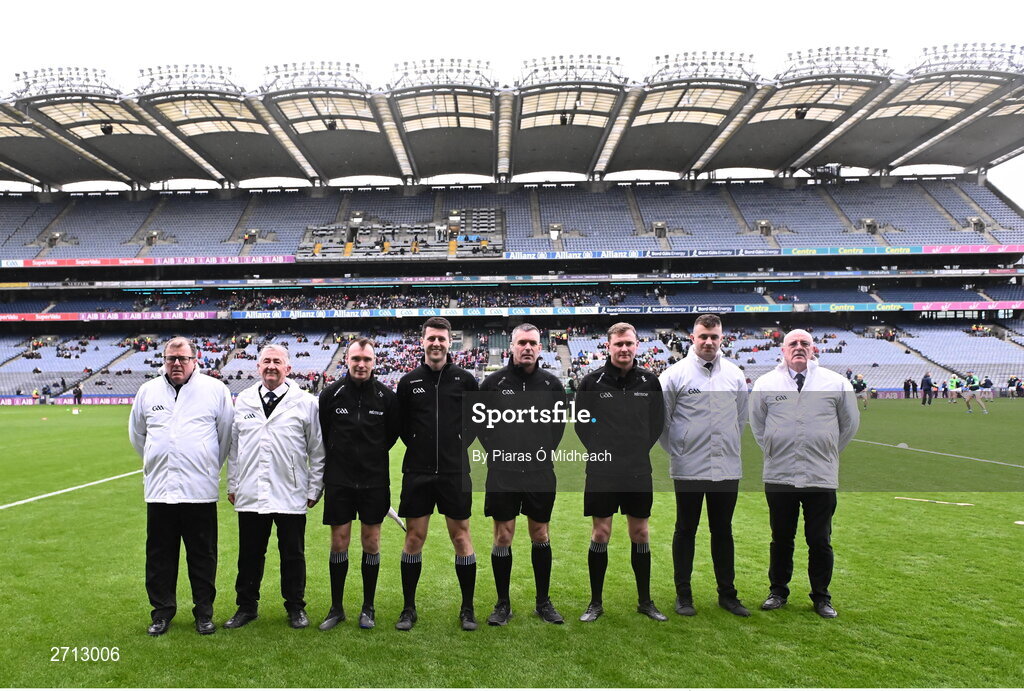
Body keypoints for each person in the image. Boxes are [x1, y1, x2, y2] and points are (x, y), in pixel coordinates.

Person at [749, 329, 860, 619]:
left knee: (819, 539)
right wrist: (777, 448)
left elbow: (849, 425)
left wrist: (825, 449)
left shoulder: (835, 382)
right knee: (781, 538)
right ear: (783, 350)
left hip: (820, 474)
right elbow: (758, 426)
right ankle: (778, 591)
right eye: (793, 344)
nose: (799, 347)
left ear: (814, 350)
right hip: (779, 473)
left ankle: (821, 597)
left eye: (804, 343)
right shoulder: (766, 383)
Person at [128, 336, 234, 636]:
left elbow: (225, 437)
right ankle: (161, 613)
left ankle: (204, 613)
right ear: (164, 359)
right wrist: (157, 459)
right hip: (160, 489)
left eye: (182, 359)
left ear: (194, 359)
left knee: (202, 556)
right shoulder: (148, 391)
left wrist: (206, 463)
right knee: (160, 556)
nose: (176, 364)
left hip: (199, 490)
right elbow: (138, 435)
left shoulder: (215, 390)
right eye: (171, 358)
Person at [224, 344, 325, 631]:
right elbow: (234, 448)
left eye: (277, 362)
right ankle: (246, 607)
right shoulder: (243, 400)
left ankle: (295, 607)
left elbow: (317, 449)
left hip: (291, 490)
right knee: (250, 554)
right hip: (251, 490)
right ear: (258, 367)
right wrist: (233, 483)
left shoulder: (305, 402)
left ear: (288, 368)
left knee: (292, 554)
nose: (271, 366)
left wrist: (314, 488)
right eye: (266, 361)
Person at [658, 314, 750, 618]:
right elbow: (662, 423)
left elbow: (741, 418)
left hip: (726, 467)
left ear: (721, 339)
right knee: (685, 529)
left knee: (723, 531)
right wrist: (681, 451)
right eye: (703, 337)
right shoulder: (674, 375)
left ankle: (728, 595)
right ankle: (683, 596)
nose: (709, 342)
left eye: (714, 337)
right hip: (688, 467)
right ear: (692, 339)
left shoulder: (735, 375)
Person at [575, 322, 667, 623]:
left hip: (638, 470)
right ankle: (595, 602)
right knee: (601, 533)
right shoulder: (591, 382)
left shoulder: (650, 382)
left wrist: (636, 449)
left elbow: (657, 424)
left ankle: (645, 601)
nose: (624, 349)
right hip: (602, 470)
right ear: (609, 346)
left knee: (640, 533)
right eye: (619, 344)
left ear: (637, 345)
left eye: (629, 343)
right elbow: (581, 425)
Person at [395, 317, 480, 631]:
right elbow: (401, 427)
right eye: (431, 338)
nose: (436, 344)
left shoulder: (466, 380)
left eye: (442, 339)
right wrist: (419, 446)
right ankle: (408, 609)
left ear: (450, 342)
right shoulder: (408, 382)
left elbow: (477, 422)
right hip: (417, 471)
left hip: (454, 471)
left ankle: (467, 608)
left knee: (461, 537)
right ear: (423, 342)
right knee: (414, 538)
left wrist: (456, 446)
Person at [478, 323, 566, 626]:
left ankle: (543, 602)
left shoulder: (552, 385)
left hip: (540, 471)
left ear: (541, 348)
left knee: (540, 533)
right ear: (511, 347)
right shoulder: (492, 384)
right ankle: (503, 604)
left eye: (533, 343)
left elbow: (558, 428)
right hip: (502, 472)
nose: (527, 348)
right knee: (503, 535)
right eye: (521, 343)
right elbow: (481, 426)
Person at [317, 338, 401, 631]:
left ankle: (368, 607)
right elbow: (325, 434)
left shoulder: (387, 397)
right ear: (347, 360)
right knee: (339, 541)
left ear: (374, 362)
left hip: (374, 481)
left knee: (371, 542)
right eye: (356, 359)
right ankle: (336, 607)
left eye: (366, 359)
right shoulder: (331, 395)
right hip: (339, 480)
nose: (361, 364)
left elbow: (390, 437)